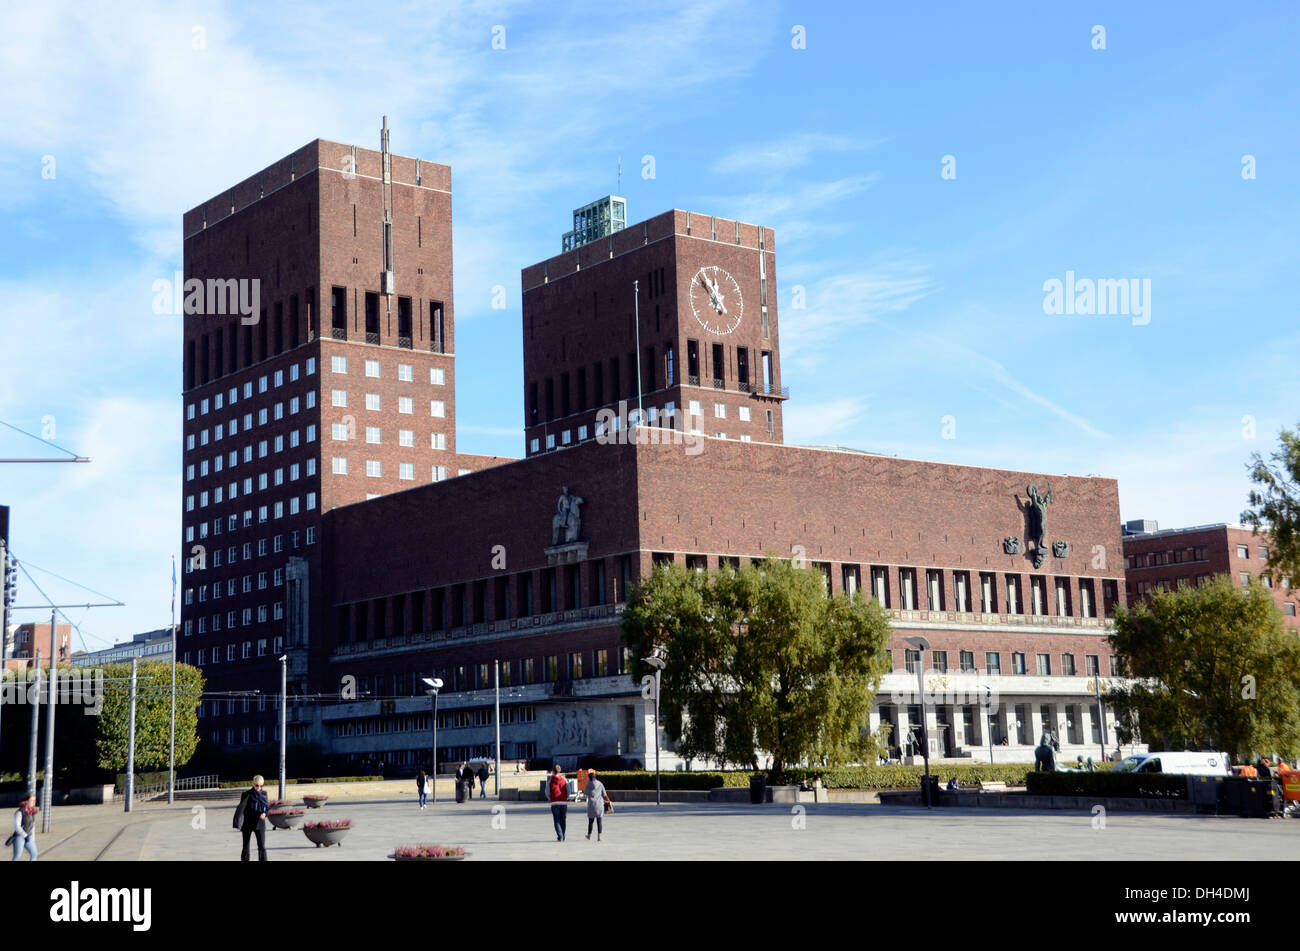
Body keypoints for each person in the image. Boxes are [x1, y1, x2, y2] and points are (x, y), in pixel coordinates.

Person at [233, 775, 269, 862]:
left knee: (262, 847)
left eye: (261, 786)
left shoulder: (264, 794)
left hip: (260, 823)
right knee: (246, 846)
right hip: (247, 824)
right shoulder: (247, 794)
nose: (259, 787)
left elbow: (266, 807)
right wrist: (238, 823)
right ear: (253, 784)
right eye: (257, 785)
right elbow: (240, 809)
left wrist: (265, 813)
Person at [9, 794, 38, 862]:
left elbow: (32, 826)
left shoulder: (32, 812)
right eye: (32, 800)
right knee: (17, 856)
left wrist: (32, 838)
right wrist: (25, 835)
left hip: (29, 836)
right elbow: (17, 827)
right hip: (20, 837)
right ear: (26, 801)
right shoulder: (19, 812)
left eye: (34, 800)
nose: (34, 802)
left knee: (34, 854)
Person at [585, 769, 609, 841]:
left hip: (591, 805)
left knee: (591, 821)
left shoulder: (588, 784)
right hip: (599, 804)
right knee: (599, 821)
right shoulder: (600, 783)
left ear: (589, 777)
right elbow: (604, 794)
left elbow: (585, 792)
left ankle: (589, 835)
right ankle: (599, 837)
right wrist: (608, 800)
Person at [548, 765, 569, 841]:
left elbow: (547, 791)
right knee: (563, 819)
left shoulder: (550, 780)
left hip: (555, 802)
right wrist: (566, 797)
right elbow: (568, 790)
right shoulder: (564, 779)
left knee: (557, 820)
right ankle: (563, 835)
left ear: (553, 771)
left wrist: (550, 798)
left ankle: (560, 836)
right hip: (563, 802)